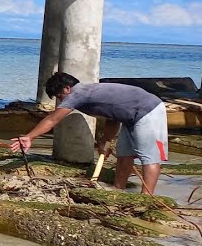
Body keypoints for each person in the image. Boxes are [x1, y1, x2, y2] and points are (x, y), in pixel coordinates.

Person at [12, 72, 168, 194]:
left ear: (67, 88)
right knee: (124, 156)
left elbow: (53, 120)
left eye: (60, 97)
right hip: (129, 117)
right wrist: (105, 141)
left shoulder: (78, 94)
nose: (61, 101)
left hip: (149, 110)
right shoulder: (89, 93)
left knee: (149, 157)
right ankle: (118, 190)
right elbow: (112, 118)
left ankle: (147, 197)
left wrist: (29, 137)